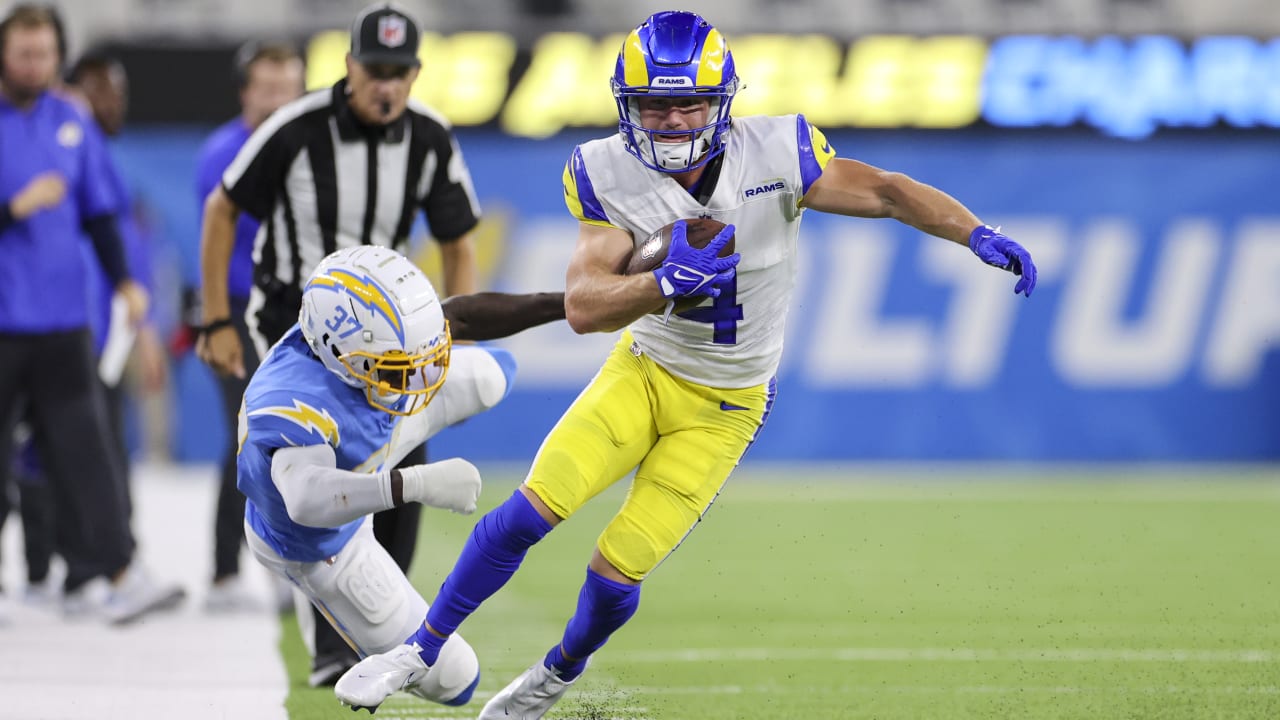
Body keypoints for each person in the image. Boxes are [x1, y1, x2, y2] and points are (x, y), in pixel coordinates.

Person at [336, 10, 1040, 719]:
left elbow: (887, 190)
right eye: (655, 105)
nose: (672, 121)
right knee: (528, 513)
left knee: (614, 577)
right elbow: (583, 304)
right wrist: (661, 283)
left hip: (727, 409)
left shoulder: (777, 151)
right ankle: (416, 650)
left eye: (688, 103)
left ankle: (555, 674)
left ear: (721, 103)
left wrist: (975, 231)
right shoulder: (604, 170)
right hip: (643, 374)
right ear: (627, 108)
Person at [197, 1, 482, 684]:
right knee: (305, 474)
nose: (386, 86)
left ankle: (371, 619)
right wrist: (216, 320)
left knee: (399, 473)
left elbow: (459, 244)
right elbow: (222, 207)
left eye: (399, 72)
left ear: (415, 74)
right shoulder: (294, 129)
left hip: (389, 346)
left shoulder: (431, 138)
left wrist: (449, 335)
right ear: (348, 67)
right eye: (374, 70)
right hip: (293, 337)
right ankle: (328, 633)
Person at [239, 244, 564, 709]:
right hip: (325, 541)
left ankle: (391, 411)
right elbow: (306, 501)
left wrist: (563, 306)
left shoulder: (368, 342)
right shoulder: (292, 400)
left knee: (493, 375)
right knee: (455, 678)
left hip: (374, 435)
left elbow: (462, 319)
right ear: (338, 355)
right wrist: (415, 484)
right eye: (399, 368)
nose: (419, 379)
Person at [0, 3, 183, 624]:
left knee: (90, 454)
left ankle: (120, 572)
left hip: (61, 322)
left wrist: (126, 281)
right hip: (1, 323)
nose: (35, 64)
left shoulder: (70, 123)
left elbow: (101, 213)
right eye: (24, 53)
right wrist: (12, 208)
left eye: (45, 53)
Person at [193, 40, 304, 614]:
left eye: (289, 87)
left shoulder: (305, 145)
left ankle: (283, 562)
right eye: (268, 88)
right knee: (247, 436)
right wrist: (217, 322)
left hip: (289, 309)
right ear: (245, 91)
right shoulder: (226, 153)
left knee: (287, 437)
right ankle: (223, 571)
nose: (280, 99)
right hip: (236, 307)